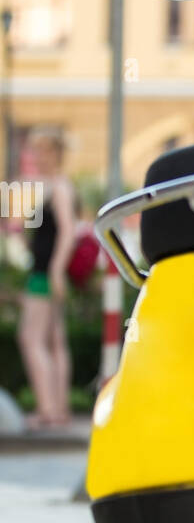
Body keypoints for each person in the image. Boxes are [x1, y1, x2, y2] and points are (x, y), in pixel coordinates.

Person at [17, 132, 77, 429]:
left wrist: (55, 269)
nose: (35, 158)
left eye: (39, 152)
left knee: (31, 339)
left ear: (52, 153)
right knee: (55, 342)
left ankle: (48, 409)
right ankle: (57, 409)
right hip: (48, 271)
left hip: (44, 273)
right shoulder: (52, 187)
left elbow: (68, 231)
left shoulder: (59, 188)